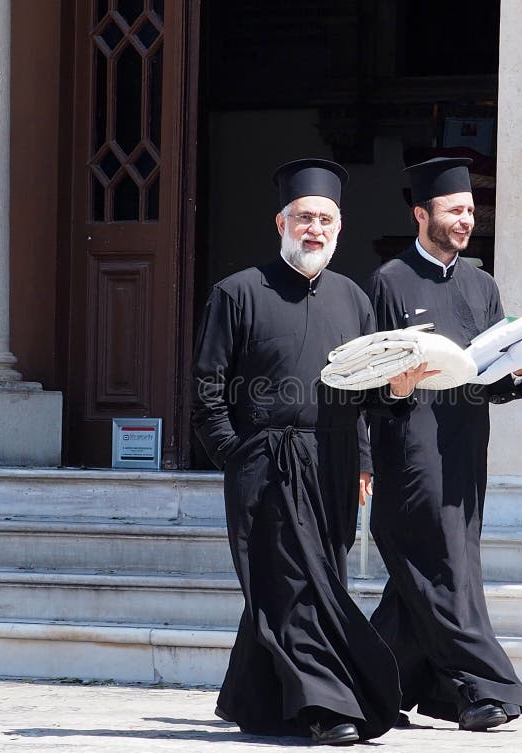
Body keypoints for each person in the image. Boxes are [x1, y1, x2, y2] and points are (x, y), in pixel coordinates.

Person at [191, 158, 429, 746]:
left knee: (310, 581)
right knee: (296, 584)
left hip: (336, 463)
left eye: (325, 219)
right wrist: (234, 456)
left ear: (339, 228)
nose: (314, 229)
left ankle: (254, 697)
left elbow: (370, 391)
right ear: (281, 222)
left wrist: (375, 444)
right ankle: (328, 707)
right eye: (303, 218)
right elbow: (207, 388)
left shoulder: (353, 299)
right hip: (266, 462)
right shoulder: (237, 292)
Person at [365, 157, 522, 732]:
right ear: (421, 214)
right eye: (454, 210)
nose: (465, 220)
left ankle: (373, 682)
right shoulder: (388, 281)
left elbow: (491, 380)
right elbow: (365, 380)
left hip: (467, 455)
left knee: (430, 576)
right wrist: (388, 402)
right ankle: (484, 688)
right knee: (446, 571)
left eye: (470, 210)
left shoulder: (482, 284)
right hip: (411, 458)